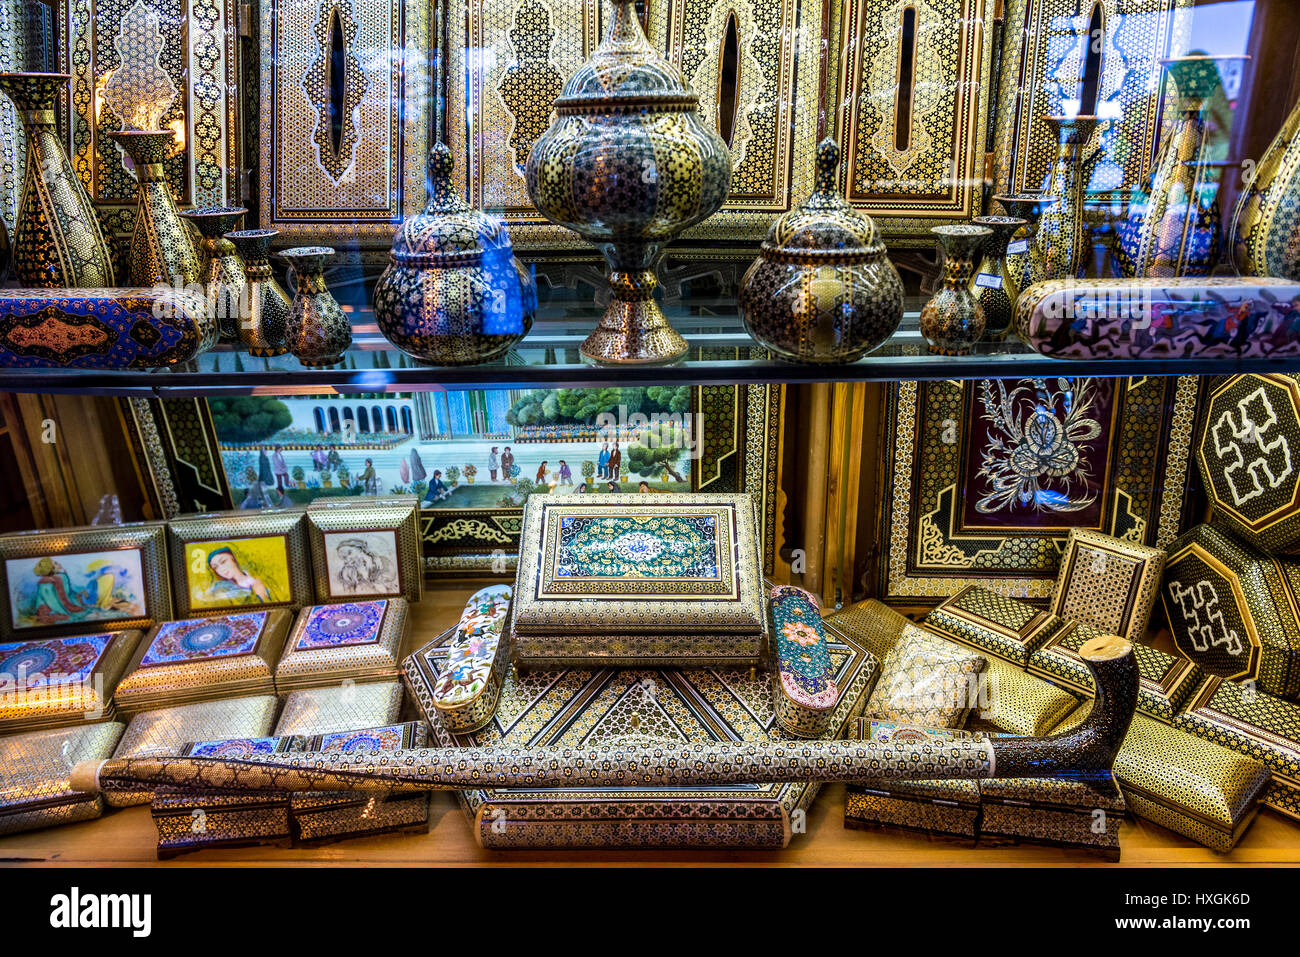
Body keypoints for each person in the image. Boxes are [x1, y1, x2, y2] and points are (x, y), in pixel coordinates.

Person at [202, 547, 273, 605]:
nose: (221, 569)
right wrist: (260, 595)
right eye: (216, 567)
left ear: (234, 558)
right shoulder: (221, 588)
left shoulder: (257, 576)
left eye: (223, 561)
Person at [29, 557, 85, 624]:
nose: (59, 563)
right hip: (48, 610)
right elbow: (51, 601)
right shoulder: (46, 584)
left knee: (80, 609)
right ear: (51, 569)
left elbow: (67, 593)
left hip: (62, 605)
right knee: (70, 616)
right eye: (55, 563)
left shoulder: (60, 577)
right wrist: (64, 612)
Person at [333, 538, 398, 593]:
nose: (349, 558)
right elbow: (349, 593)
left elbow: (389, 584)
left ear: (360, 548)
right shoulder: (346, 573)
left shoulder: (382, 561)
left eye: (350, 552)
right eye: (344, 558)